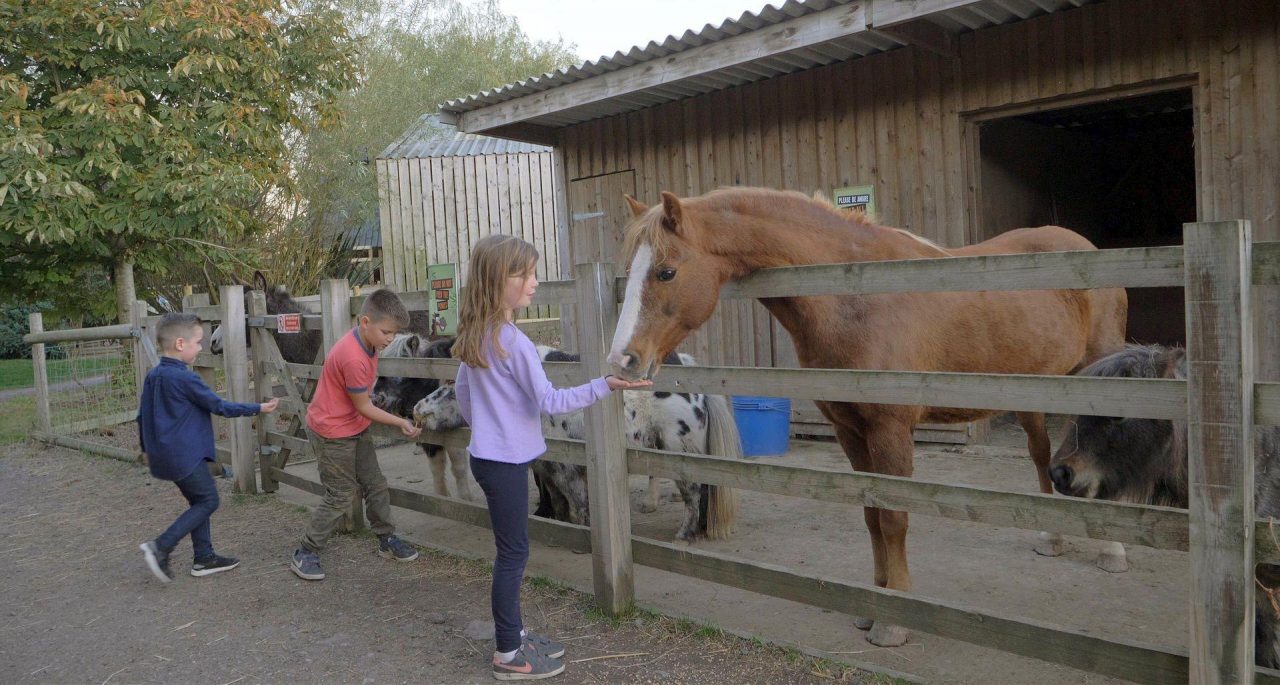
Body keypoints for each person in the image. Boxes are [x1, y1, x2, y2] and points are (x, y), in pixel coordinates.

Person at [453, 234, 651, 680]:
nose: (534, 283)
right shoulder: (514, 342)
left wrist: (489, 425)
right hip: (503, 462)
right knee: (513, 555)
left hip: (487, 457)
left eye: (534, 273)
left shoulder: (477, 336)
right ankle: (507, 652)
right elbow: (551, 401)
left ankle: (514, 634)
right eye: (524, 274)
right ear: (496, 281)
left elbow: (465, 397)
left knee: (511, 551)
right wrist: (605, 385)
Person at [290, 289, 423, 581]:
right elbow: (364, 406)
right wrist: (400, 422)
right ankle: (306, 551)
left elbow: (362, 404)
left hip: (353, 425)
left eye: (394, 333)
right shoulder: (353, 357)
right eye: (386, 332)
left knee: (375, 484)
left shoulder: (370, 345)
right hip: (331, 431)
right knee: (340, 493)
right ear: (365, 322)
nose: (390, 339)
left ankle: (386, 539)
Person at [137, 313, 279, 582]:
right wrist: (258, 408)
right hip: (184, 457)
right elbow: (219, 406)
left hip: (165, 456)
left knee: (198, 501)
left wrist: (147, 450)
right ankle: (161, 546)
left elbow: (141, 415)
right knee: (208, 500)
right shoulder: (184, 379)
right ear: (180, 344)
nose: (201, 347)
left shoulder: (155, 375)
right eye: (198, 342)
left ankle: (204, 557)